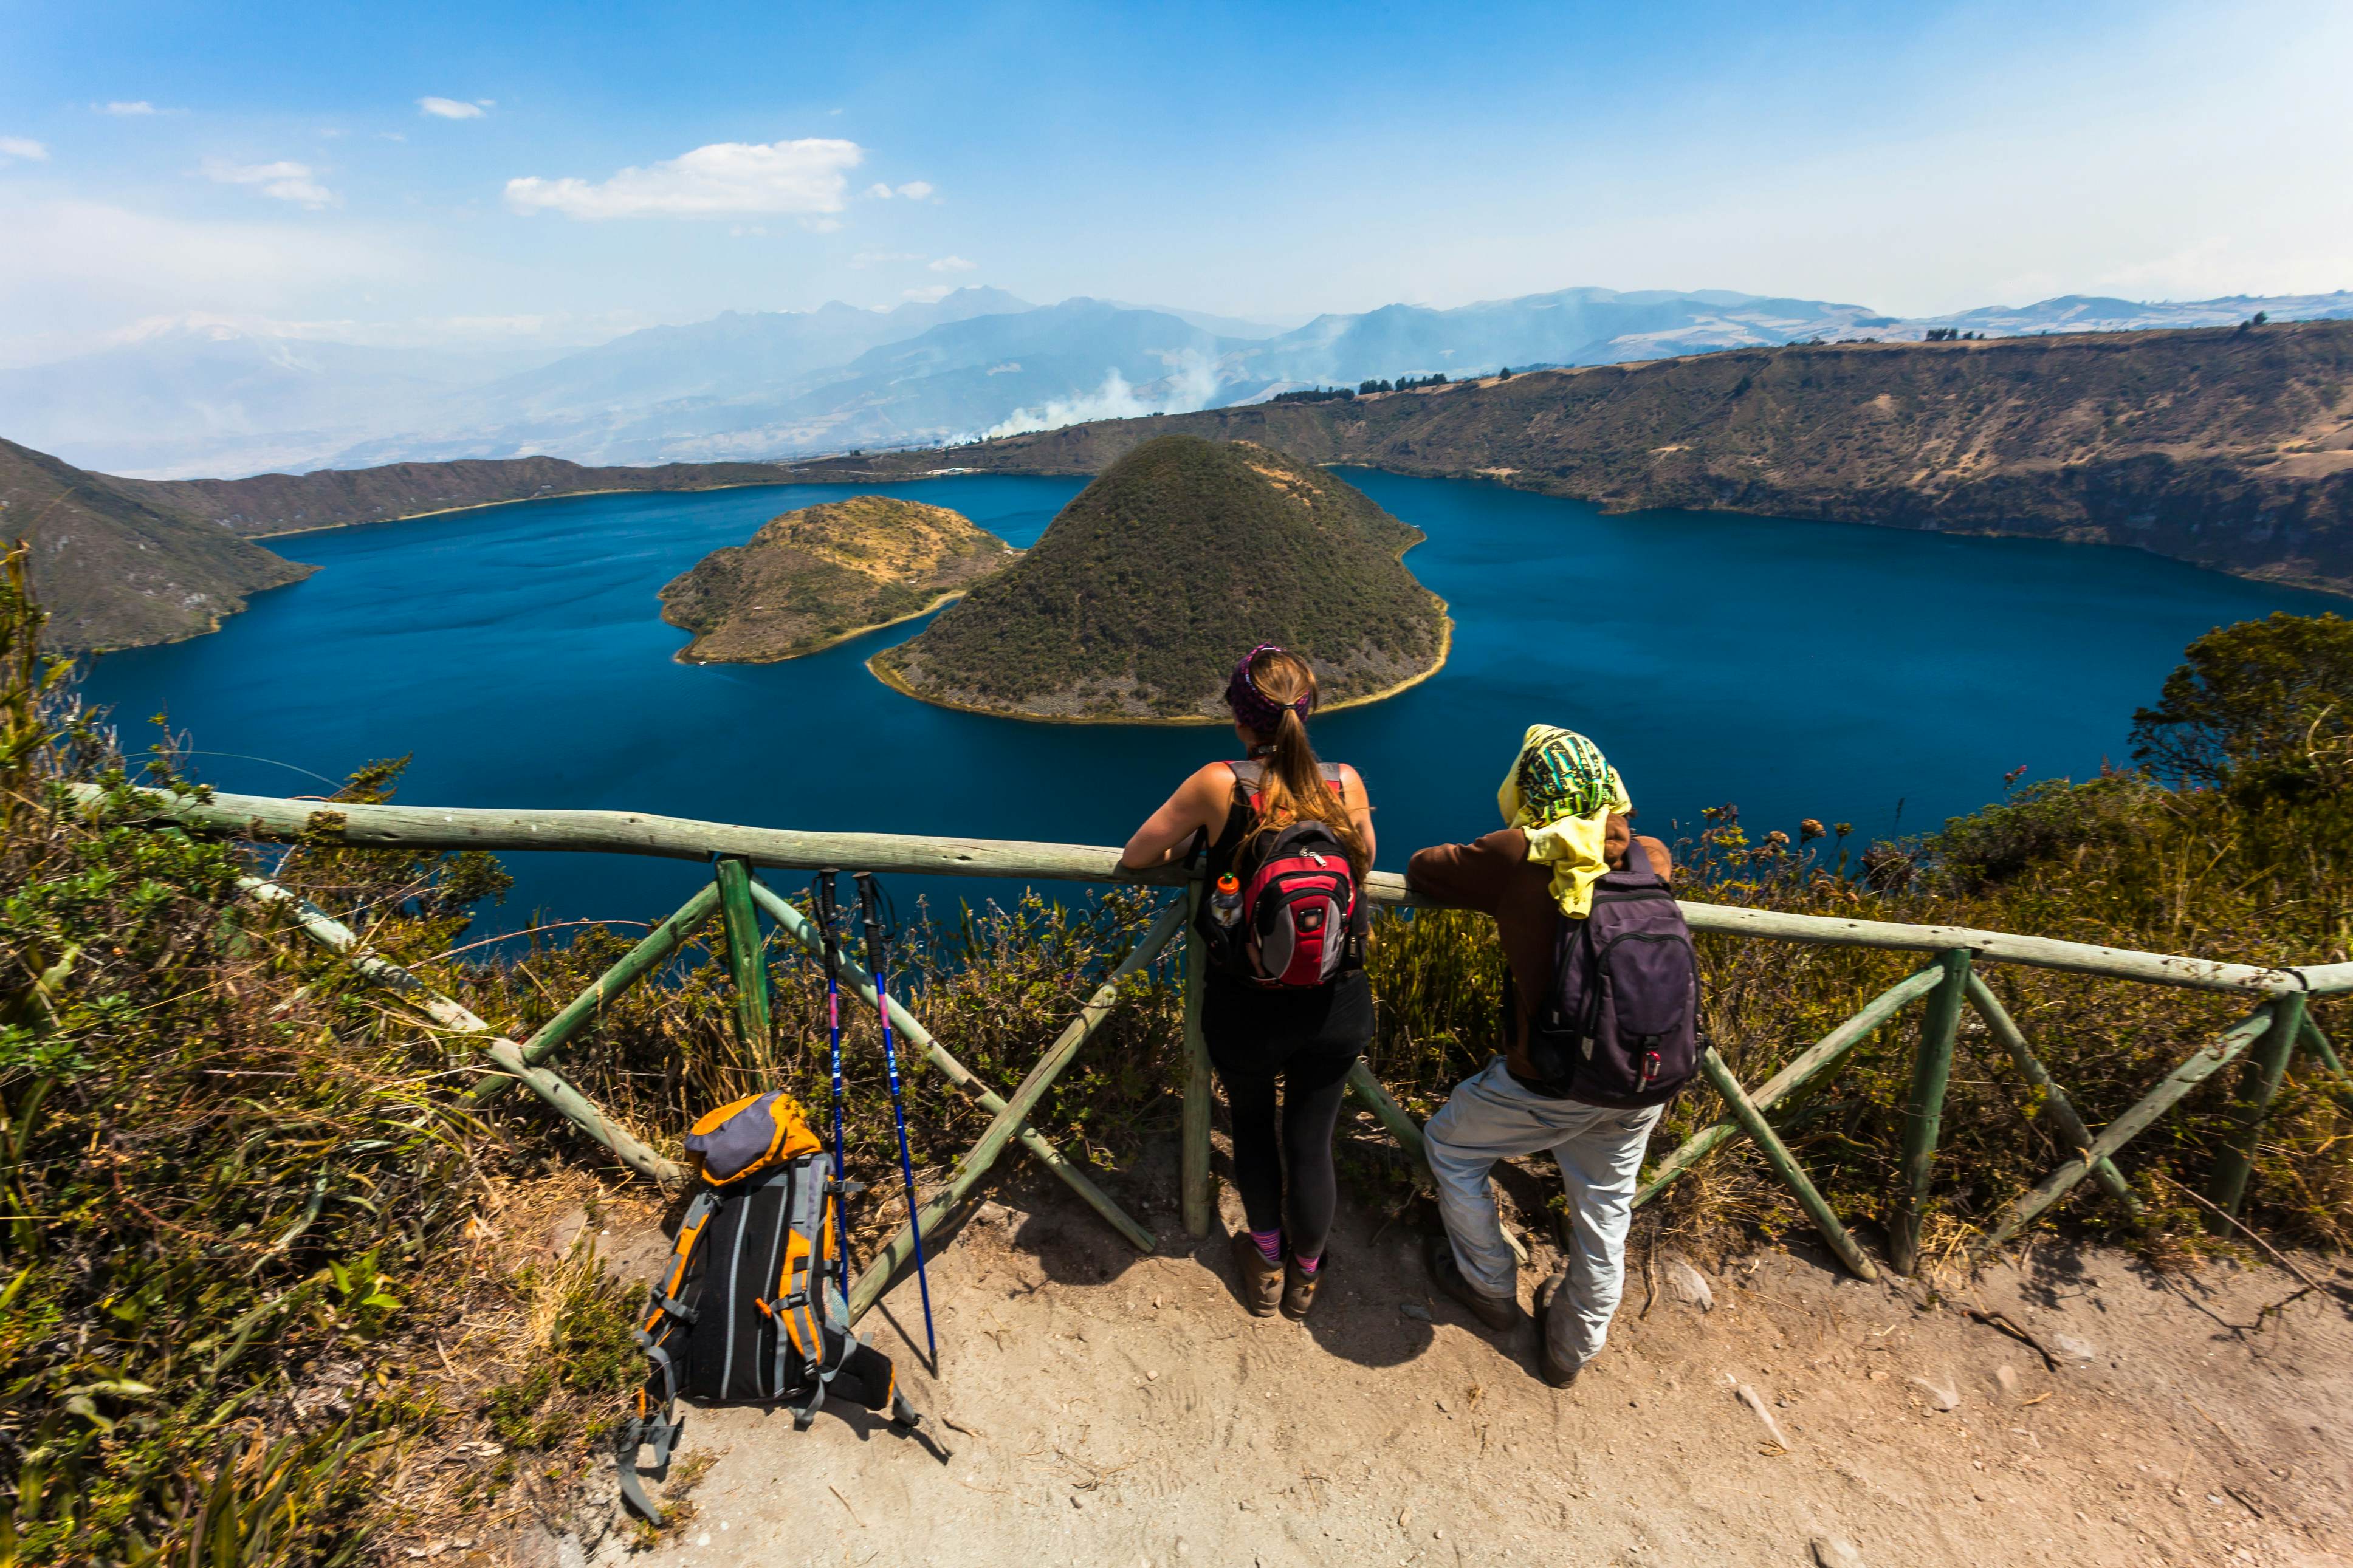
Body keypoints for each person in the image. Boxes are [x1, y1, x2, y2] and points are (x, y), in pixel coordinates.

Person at [1404, 725, 1673, 1386]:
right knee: (1605, 1205)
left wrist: (1523, 841)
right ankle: (1570, 1348)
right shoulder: (1652, 857)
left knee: (1451, 1146)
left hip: (1549, 1078)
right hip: (1643, 1073)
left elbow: (1421, 868)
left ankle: (1490, 1287)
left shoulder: (1513, 855)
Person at [1119, 645, 1375, 1321]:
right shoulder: (1344, 782)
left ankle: (1264, 1263)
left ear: (1240, 715)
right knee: (1312, 1138)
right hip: (1334, 1000)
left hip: (1246, 1005)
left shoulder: (1217, 784)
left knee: (1254, 1129)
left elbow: (1137, 854)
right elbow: (1366, 857)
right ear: (1309, 708)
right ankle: (1308, 1276)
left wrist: (1197, 849)